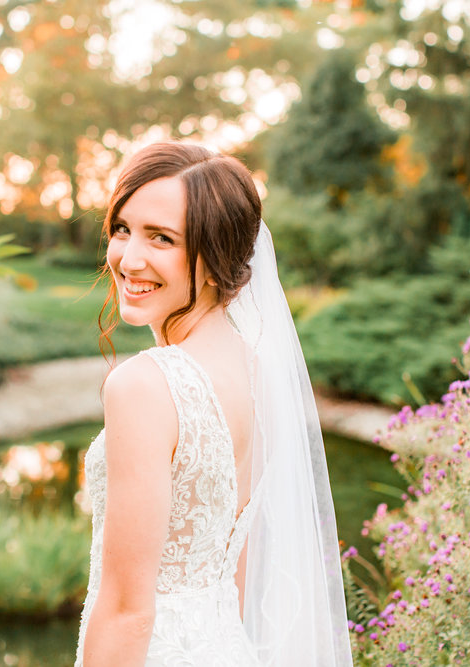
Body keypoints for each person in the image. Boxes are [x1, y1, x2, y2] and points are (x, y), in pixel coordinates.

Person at [75, 142, 353, 666]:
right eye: (122, 229)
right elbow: (238, 566)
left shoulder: (144, 385)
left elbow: (126, 611)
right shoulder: (259, 373)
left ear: (216, 256)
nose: (129, 258)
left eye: (162, 238)